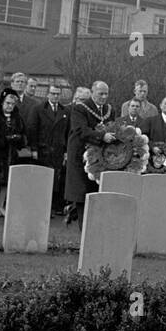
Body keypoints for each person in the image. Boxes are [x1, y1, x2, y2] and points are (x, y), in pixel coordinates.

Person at [64, 81, 117, 224]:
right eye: (101, 94)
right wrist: (101, 136)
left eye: (106, 94)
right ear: (92, 93)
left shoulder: (109, 110)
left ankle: (88, 221)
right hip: (81, 155)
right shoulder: (80, 109)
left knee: (96, 192)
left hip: (101, 157)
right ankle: (82, 223)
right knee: (82, 193)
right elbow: (80, 130)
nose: (104, 97)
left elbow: (112, 127)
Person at [0, 91, 30, 217]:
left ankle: (1, 205)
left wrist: (18, 139)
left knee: (6, 182)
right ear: (2, 103)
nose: (10, 106)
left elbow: (24, 135)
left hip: (11, 154)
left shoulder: (18, 118)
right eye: (7, 103)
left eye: (12, 104)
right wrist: (3, 138)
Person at [33, 84, 70, 215]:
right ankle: (42, 206)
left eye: (57, 94)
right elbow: (33, 129)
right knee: (43, 179)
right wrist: (34, 149)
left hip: (58, 150)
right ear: (48, 94)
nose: (55, 96)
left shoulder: (65, 111)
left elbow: (68, 133)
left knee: (56, 180)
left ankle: (53, 206)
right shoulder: (39, 109)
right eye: (53, 93)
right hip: (43, 149)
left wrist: (66, 151)